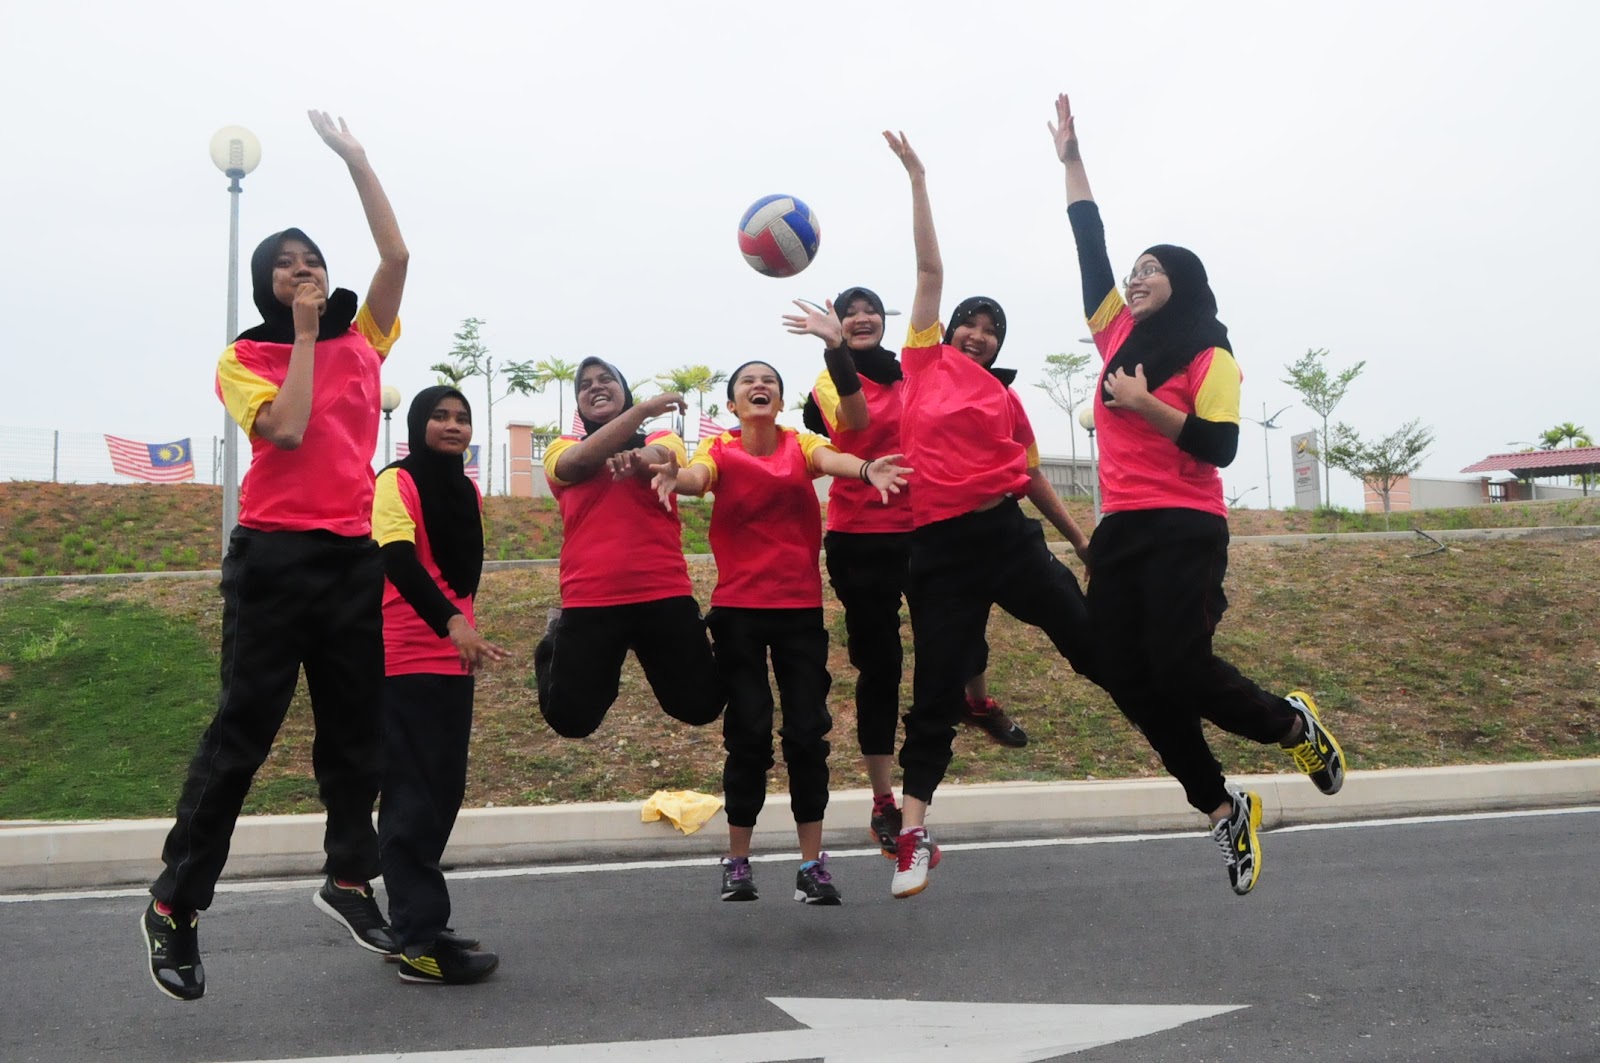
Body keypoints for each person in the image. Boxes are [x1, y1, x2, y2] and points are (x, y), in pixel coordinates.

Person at [142, 111, 409, 1001]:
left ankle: (347, 878)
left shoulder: (364, 337)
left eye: (313, 259)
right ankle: (175, 906)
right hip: (273, 560)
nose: (306, 270)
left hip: (349, 557)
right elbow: (288, 430)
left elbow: (397, 257)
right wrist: (300, 335)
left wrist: (359, 159)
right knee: (242, 734)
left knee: (356, 732)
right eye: (287, 263)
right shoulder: (245, 355)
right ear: (268, 285)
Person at [1050, 92, 1345, 895]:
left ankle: (1292, 724)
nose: (1137, 277)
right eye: (1136, 269)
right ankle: (1222, 808)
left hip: (1185, 527)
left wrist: (1148, 406)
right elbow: (1089, 243)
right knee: (1123, 672)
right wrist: (1071, 159)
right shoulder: (1114, 333)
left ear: (1181, 283)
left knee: (1179, 670)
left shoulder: (1211, 354)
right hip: (1122, 531)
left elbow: (1220, 445)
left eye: (1153, 269)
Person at [879, 130, 1100, 899]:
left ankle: (1169, 700)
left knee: (1085, 635)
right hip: (938, 550)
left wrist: (1081, 540)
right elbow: (930, 268)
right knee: (935, 689)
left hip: (1005, 536)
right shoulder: (922, 361)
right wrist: (918, 178)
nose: (977, 333)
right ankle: (912, 835)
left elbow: (1034, 478)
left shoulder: (1005, 400)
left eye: (992, 328)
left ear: (1002, 344)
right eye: (969, 322)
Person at [650, 361, 908, 906]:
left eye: (768, 380)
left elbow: (831, 457)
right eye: (747, 382)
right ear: (733, 405)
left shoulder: (799, 442)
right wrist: (678, 477)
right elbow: (699, 479)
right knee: (748, 734)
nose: (759, 386)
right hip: (738, 613)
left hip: (798, 614)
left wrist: (865, 471)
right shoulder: (718, 449)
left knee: (806, 737)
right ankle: (737, 862)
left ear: (780, 401)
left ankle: (811, 866)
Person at [789, 288, 1027, 860]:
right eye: (848, 314)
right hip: (860, 540)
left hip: (924, 528)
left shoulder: (913, 370)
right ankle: (883, 801)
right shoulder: (827, 380)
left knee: (953, 639)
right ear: (839, 326)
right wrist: (833, 351)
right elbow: (856, 418)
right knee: (882, 667)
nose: (861, 318)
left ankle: (976, 702)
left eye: (869, 309)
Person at [372, 386, 505, 985]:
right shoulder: (394, 481)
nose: (452, 425)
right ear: (418, 423)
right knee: (412, 798)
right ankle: (419, 942)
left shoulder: (466, 489)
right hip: (406, 655)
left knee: (442, 792)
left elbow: (458, 573)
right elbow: (397, 559)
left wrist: (464, 633)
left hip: (454, 656)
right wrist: (454, 624)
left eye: (461, 417)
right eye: (439, 416)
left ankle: (418, 919)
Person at [534, 358, 723, 738]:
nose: (595, 387)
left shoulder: (660, 438)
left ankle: (722, 633)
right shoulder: (563, 447)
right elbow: (577, 463)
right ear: (578, 402)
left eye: (606, 379)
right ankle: (554, 640)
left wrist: (637, 460)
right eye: (585, 384)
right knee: (571, 719)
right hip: (591, 598)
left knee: (700, 705)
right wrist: (642, 411)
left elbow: (665, 459)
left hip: (662, 591)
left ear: (623, 389)